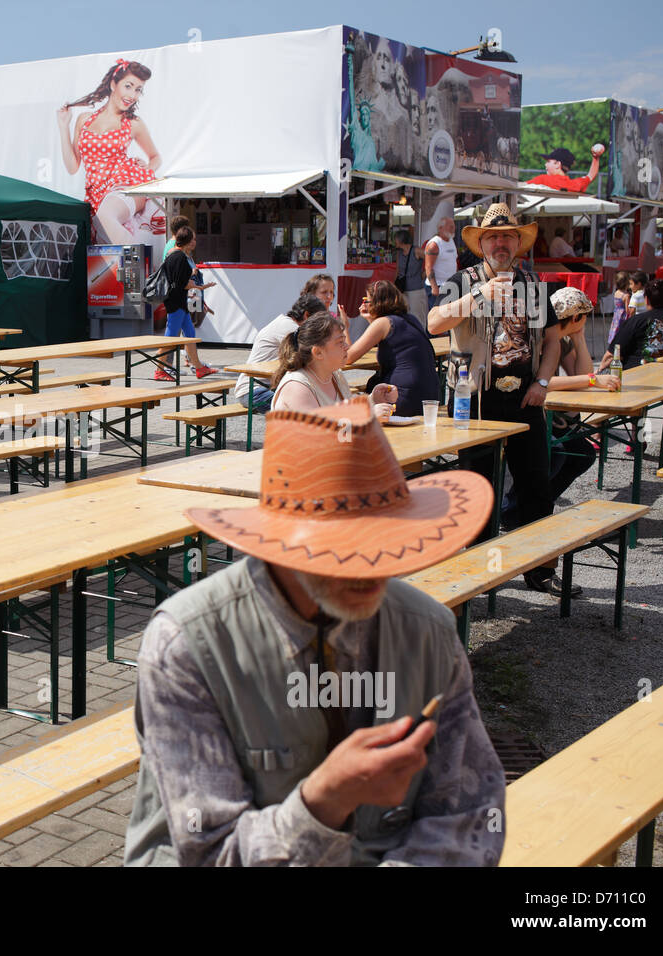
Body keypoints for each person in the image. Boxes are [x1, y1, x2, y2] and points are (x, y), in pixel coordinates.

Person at [124, 395, 504, 867]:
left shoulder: (428, 631)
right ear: (278, 542)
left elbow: (468, 813)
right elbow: (209, 852)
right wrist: (326, 799)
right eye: (342, 549)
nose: (372, 565)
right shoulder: (188, 644)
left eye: (386, 541)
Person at [427, 203, 566, 591]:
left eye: (508, 236)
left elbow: (554, 340)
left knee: (536, 484)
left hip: (524, 398)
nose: (501, 243)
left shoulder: (532, 284)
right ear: (482, 243)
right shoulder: (463, 279)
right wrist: (477, 297)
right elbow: (434, 324)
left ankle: (540, 570)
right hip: (474, 399)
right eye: (493, 237)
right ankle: (478, 573)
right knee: (477, 486)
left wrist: (542, 382)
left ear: (518, 242)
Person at [501, 287, 620, 534]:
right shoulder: (538, 339)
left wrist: (579, 339)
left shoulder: (563, 340)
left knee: (583, 452)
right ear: (577, 318)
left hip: (543, 410)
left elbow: (579, 375)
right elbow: (542, 381)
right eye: (584, 316)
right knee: (556, 451)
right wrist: (592, 380)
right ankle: (513, 510)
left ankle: (538, 505)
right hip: (520, 409)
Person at [57, 59, 161, 244]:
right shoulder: (84, 119)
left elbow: (155, 157)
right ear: (113, 84)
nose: (132, 95)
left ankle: (140, 266)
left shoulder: (133, 123)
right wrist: (63, 126)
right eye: (128, 86)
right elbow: (73, 166)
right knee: (97, 238)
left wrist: (147, 169)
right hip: (95, 192)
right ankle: (141, 264)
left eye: (138, 89)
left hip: (125, 185)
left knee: (105, 217)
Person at [272, 312, 396, 417]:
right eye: (340, 342)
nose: (347, 346)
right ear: (318, 352)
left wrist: (373, 399)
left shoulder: (335, 375)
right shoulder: (297, 387)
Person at [346, 280, 440, 417]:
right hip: (429, 396)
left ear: (376, 302)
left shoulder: (383, 323)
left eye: (367, 300)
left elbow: (348, 357)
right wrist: (371, 320)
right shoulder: (411, 319)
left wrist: (345, 328)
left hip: (402, 398)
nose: (365, 304)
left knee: (357, 401)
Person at [233, 293, 326, 411]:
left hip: (263, 388)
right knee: (302, 409)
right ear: (307, 315)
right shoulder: (290, 328)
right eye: (317, 323)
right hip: (253, 391)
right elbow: (312, 357)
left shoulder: (285, 322)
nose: (318, 328)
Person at [153, 227, 216, 380]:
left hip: (178, 302)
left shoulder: (173, 254)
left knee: (189, 334)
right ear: (187, 241)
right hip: (176, 303)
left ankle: (199, 368)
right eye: (193, 239)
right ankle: (159, 371)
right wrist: (197, 284)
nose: (195, 242)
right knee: (171, 337)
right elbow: (181, 283)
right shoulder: (179, 257)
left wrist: (197, 285)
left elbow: (177, 281)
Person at [605, 278, 663, 370]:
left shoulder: (635, 321)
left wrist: (598, 371)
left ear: (646, 300)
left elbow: (610, 356)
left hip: (639, 378)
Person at [525, 145, 604, 193]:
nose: (545, 164)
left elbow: (519, 187)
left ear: (558, 164)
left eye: (549, 162)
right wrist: (596, 157)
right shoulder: (575, 184)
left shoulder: (543, 180)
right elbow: (591, 176)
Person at [423, 217, 458, 308]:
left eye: (453, 226)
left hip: (450, 286)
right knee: (436, 316)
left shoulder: (451, 241)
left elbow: (453, 261)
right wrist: (434, 287)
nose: (453, 229)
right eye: (450, 226)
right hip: (438, 286)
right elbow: (428, 267)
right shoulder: (434, 244)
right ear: (440, 228)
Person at [393, 228, 428, 320]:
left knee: (418, 316)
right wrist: (394, 286)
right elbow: (397, 270)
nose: (394, 241)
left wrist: (425, 273)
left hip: (416, 289)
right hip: (402, 289)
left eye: (396, 239)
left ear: (401, 240)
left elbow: (432, 259)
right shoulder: (399, 253)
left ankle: (420, 334)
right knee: (405, 315)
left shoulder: (416, 251)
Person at [608, 271, 631, 346]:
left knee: (615, 330)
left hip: (616, 316)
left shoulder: (616, 292)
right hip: (622, 317)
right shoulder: (626, 296)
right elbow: (628, 310)